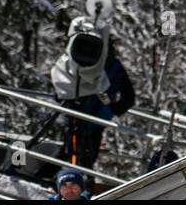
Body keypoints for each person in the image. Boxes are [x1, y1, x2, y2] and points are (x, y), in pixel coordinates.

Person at [49, 17, 135, 170]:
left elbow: (128, 96)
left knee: (75, 151)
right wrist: (112, 109)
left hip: (82, 116)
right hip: (95, 118)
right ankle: (76, 180)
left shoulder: (77, 64)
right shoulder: (114, 65)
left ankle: (74, 181)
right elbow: (128, 97)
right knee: (82, 153)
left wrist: (111, 107)